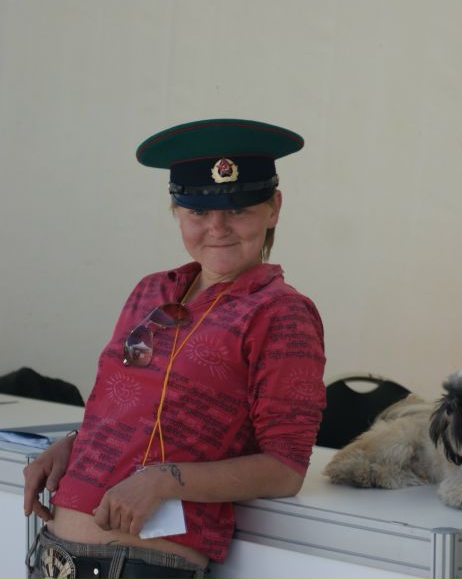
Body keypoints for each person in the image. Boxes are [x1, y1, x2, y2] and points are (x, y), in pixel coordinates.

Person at [23, 119, 326, 578]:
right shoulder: (151, 291)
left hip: (141, 566)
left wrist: (164, 481)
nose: (217, 228)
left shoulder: (281, 313)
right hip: (52, 557)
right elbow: (133, 412)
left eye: (238, 210)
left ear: (274, 209)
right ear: (177, 212)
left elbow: (285, 469)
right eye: (198, 211)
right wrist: (73, 444)